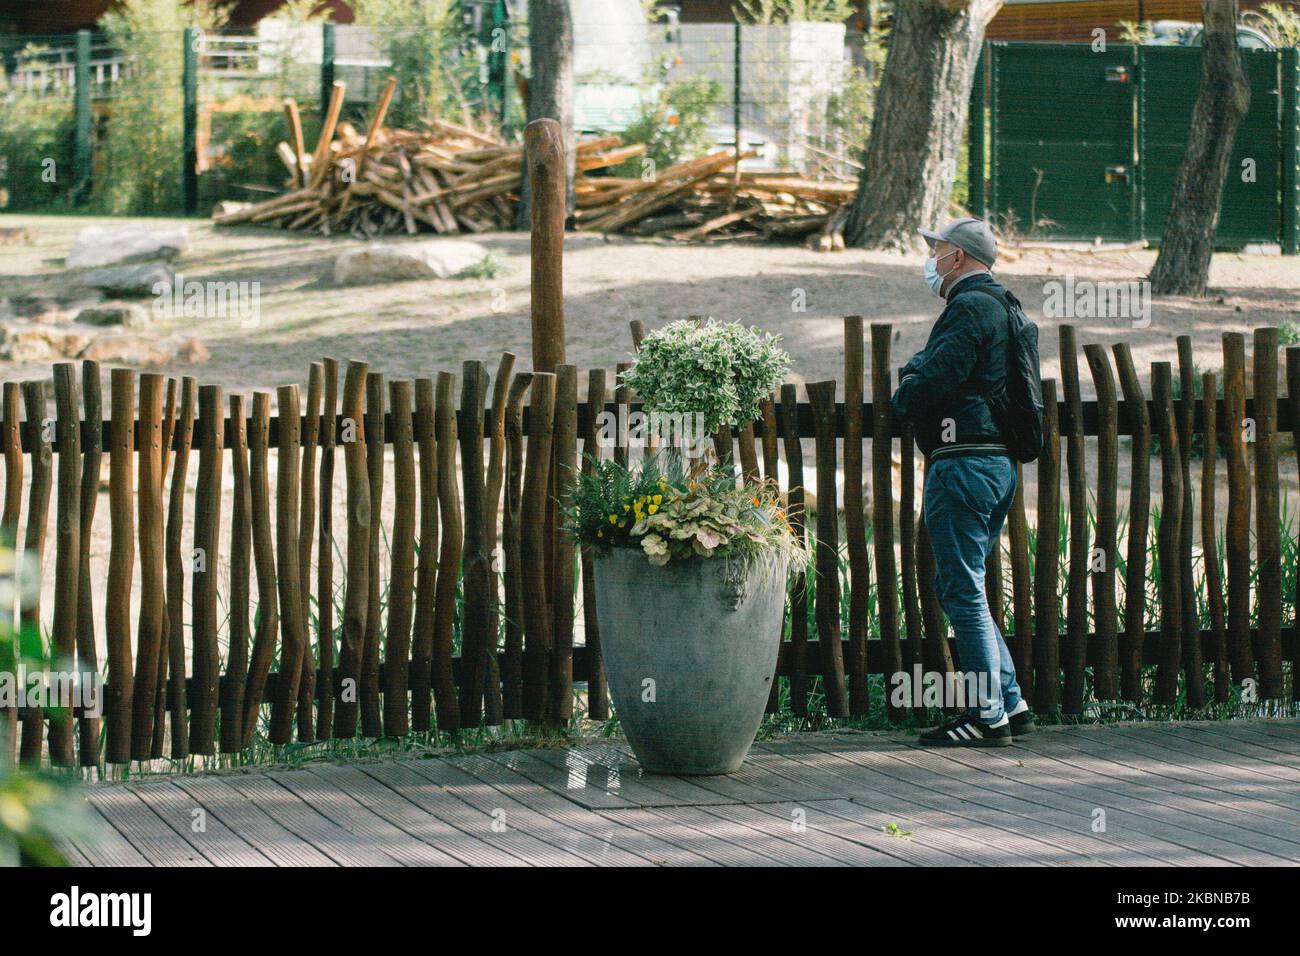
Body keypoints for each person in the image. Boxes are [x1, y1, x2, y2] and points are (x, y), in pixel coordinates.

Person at [890, 217, 1036, 747]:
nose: (931, 257)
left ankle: (986, 714)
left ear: (959, 257)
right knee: (969, 586)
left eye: (938, 248)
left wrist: (905, 386)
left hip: (964, 463)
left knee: (960, 588)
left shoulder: (968, 308)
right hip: (996, 463)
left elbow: (934, 381)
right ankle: (1011, 701)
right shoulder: (1004, 304)